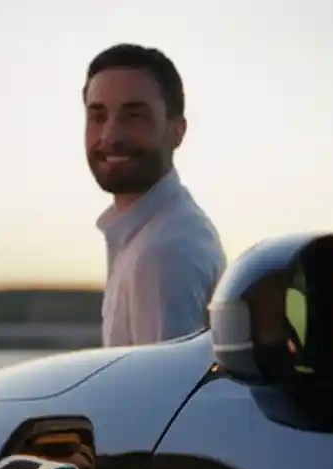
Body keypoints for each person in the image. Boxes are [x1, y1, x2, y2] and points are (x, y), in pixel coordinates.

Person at [83, 43, 227, 347]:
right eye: (98, 116)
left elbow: (161, 393)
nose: (109, 136)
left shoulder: (162, 253)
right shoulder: (161, 230)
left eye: (133, 116)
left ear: (177, 131)